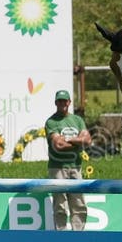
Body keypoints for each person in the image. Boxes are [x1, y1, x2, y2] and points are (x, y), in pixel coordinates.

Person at [45, 89, 92, 230]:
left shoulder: (77, 120)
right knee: (59, 204)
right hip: (57, 167)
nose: (62, 103)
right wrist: (78, 142)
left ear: (69, 102)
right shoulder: (51, 122)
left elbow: (88, 140)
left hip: (76, 166)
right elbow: (58, 144)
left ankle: (78, 234)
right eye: (59, 101)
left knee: (79, 203)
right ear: (55, 103)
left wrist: (70, 139)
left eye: (65, 101)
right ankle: (61, 235)